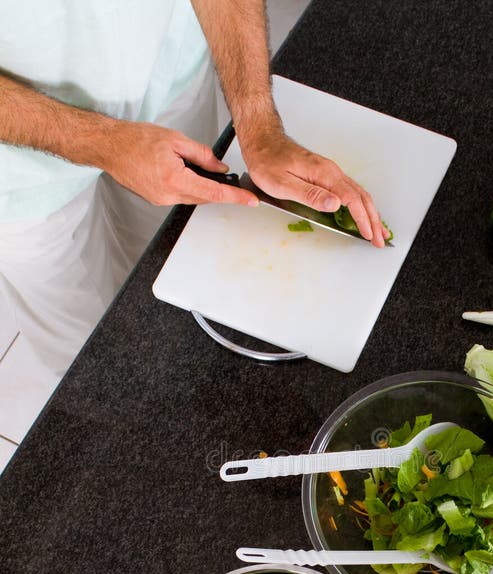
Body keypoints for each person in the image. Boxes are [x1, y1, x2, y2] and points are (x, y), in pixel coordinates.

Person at [0, 0, 388, 402]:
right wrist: (103, 141)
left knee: (181, 275)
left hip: (165, 78)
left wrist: (258, 124)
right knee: (94, 360)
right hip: (21, 168)